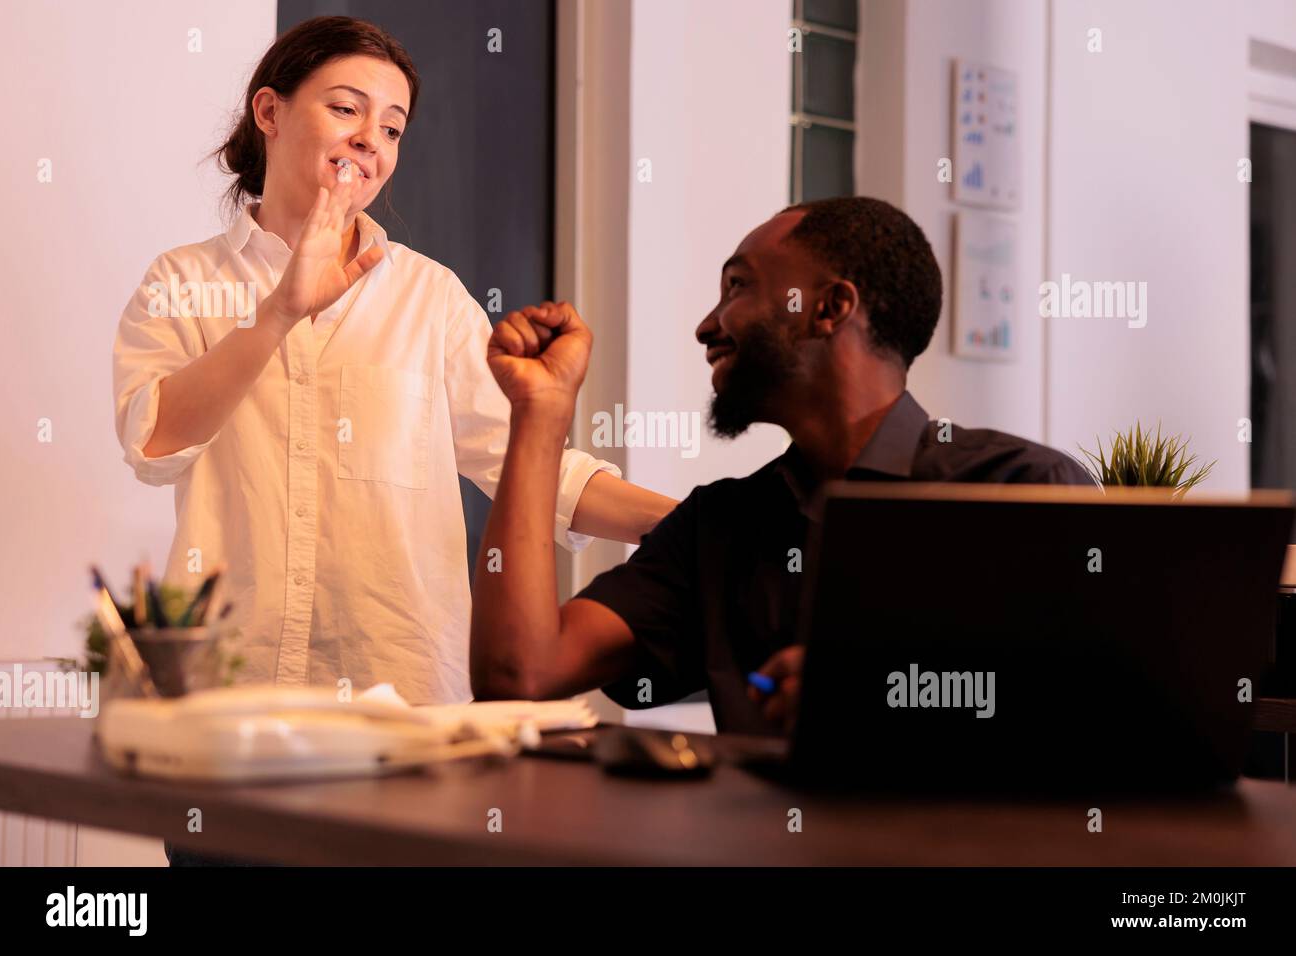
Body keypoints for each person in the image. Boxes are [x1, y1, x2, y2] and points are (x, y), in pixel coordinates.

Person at [111, 15, 677, 711]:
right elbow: (152, 441)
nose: (368, 141)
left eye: (392, 128)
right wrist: (279, 312)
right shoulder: (182, 280)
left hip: (402, 703)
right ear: (270, 111)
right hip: (228, 704)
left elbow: (535, 470)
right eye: (346, 108)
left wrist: (703, 528)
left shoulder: (431, 297)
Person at [469, 196, 1094, 736]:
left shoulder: (1022, 490)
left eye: (738, 287)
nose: (706, 326)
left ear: (829, 308)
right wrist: (541, 410)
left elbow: (1115, 713)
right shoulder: (715, 527)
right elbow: (519, 672)